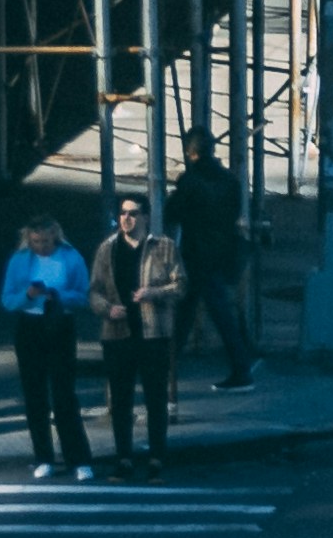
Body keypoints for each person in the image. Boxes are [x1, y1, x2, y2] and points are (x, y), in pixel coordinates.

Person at [0, 198, 99, 479]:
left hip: (60, 323)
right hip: (29, 325)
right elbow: (7, 300)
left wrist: (58, 294)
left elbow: (82, 294)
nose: (41, 246)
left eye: (45, 241)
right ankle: (43, 455)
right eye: (36, 241)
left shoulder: (70, 257)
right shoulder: (20, 260)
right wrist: (27, 295)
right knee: (34, 395)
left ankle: (78, 458)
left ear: (55, 236)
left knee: (64, 394)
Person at [91, 190, 184, 470]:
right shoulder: (108, 248)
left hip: (152, 333)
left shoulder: (163, 246)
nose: (126, 219)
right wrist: (107, 309)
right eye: (122, 213)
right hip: (117, 333)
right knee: (120, 400)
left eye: (132, 213)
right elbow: (94, 290)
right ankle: (124, 456)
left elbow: (181, 285)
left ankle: (157, 455)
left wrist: (153, 292)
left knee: (155, 398)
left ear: (145, 216)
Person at [171, 131, 260, 384]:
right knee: (196, 310)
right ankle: (168, 363)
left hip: (195, 254)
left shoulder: (190, 181)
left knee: (211, 312)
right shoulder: (229, 181)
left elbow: (172, 212)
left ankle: (241, 369)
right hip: (222, 252)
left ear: (191, 152)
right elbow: (235, 212)